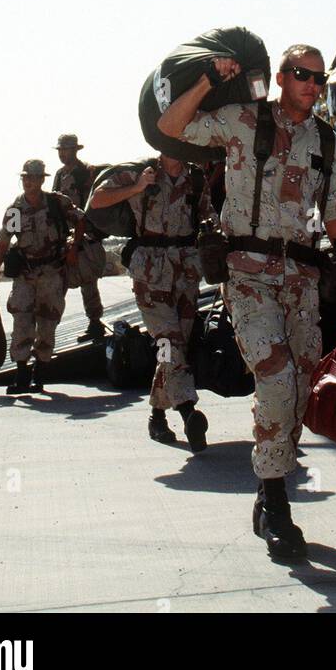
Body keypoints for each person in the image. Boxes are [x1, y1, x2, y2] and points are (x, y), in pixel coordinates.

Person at [157, 44, 336, 562]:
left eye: (319, 78)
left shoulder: (324, 139)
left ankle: (268, 485)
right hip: (247, 275)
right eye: (301, 75)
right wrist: (207, 79)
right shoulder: (242, 120)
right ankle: (276, 505)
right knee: (274, 377)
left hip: (302, 278)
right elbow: (172, 127)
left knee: (303, 383)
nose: (311, 85)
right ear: (280, 77)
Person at [90, 155, 214, 451]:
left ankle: (157, 416)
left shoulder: (196, 177)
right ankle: (188, 412)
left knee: (176, 346)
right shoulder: (137, 173)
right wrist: (136, 187)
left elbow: (208, 217)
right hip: (150, 271)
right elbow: (97, 200)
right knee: (168, 342)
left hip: (185, 271)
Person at [0, 160, 83, 394]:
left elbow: (80, 219)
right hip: (25, 274)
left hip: (52, 271)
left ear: (42, 180)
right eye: (25, 177)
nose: (28, 182)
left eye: (33, 177)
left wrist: (73, 249)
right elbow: (4, 242)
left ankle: (41, 373)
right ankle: (21, 375)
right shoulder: (16, 210)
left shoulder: (56, 203)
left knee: (48, 322)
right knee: (21, 321)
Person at [52, 133, 106, 341]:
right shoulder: (59, 174)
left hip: (84, 233)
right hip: (64, 236)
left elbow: (91, 205)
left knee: (88, 281)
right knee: (58, 283)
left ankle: (94, 323)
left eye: (66, 149)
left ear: (75, 150)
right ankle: (49, 329)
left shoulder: (86, 173)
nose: (62, 154)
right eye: (60, 150)